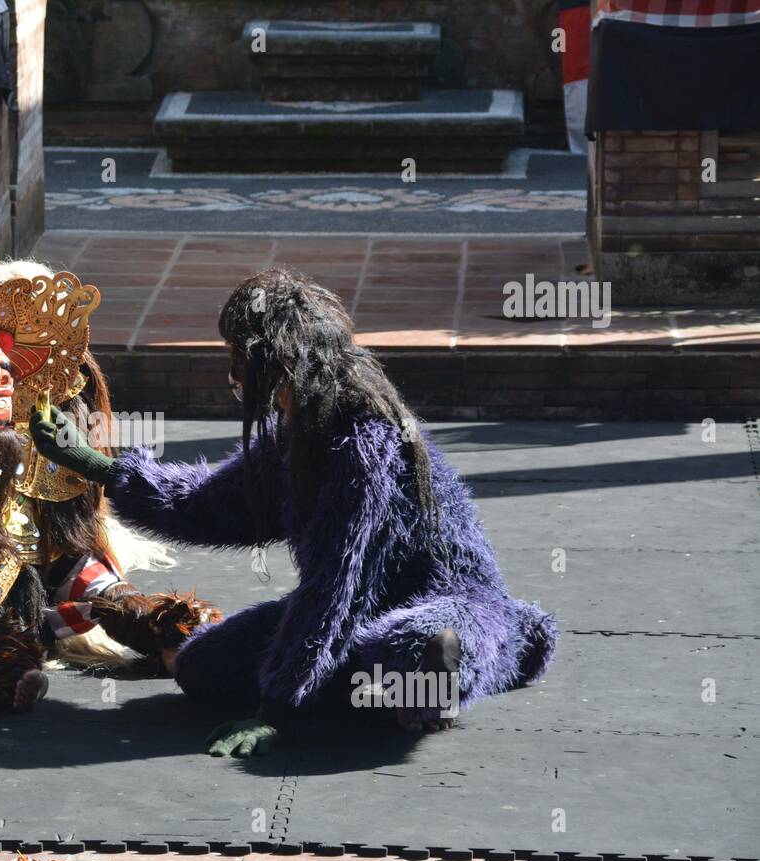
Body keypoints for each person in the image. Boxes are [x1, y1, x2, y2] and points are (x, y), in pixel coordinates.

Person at [31, 268, 558, 757]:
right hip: (361, 616)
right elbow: (205, 504)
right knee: (200, 667)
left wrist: (277, 710)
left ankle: (509, 641)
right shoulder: (298, 432)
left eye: (235, 355)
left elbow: (334, 588)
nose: (231, 372)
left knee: (409, 648)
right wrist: (97, 464)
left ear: (268, 362)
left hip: (445, 603)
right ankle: (379, 685)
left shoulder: (363, 446)